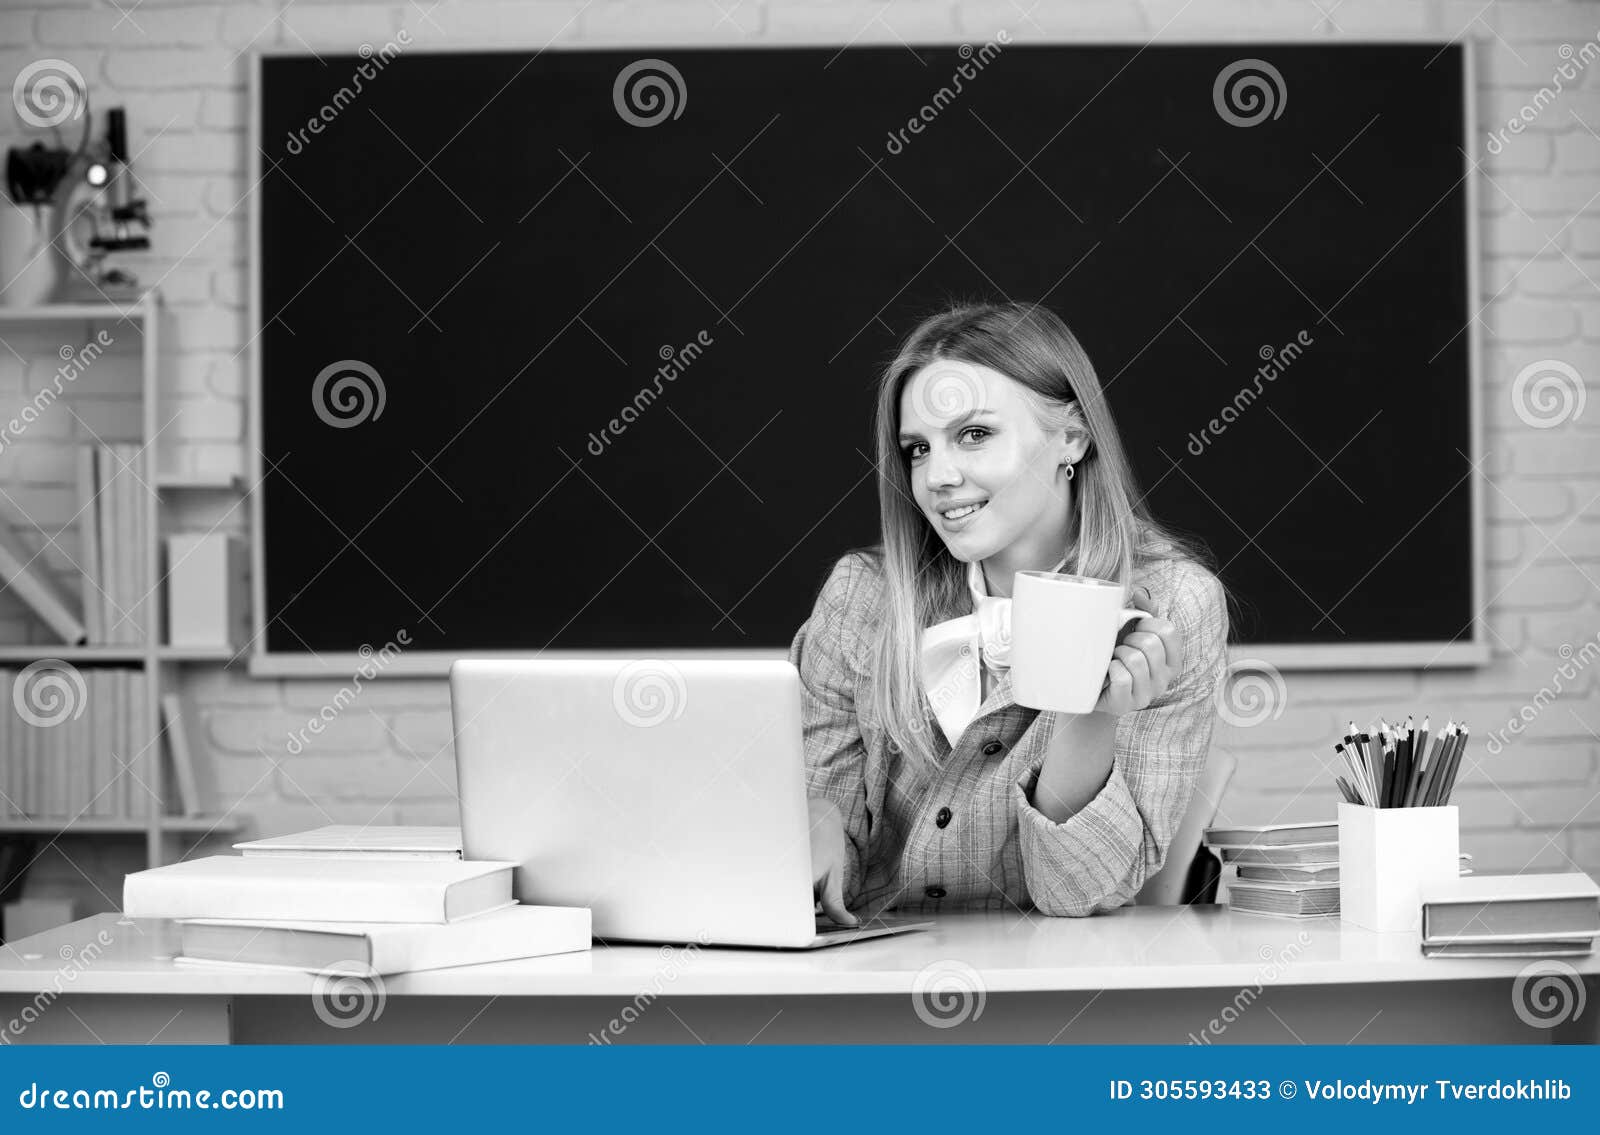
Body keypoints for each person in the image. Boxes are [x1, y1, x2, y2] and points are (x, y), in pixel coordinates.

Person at [789, 301, 1231, 921]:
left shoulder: (1174, 606)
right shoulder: (862, 598)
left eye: (974, 435)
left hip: (1056, 997)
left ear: (1071, 437)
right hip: (867, 987)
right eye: (917, 448)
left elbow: (1081, 894)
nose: (937, 477)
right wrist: (814, 823)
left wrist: (1090, 717)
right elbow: (825, 864)